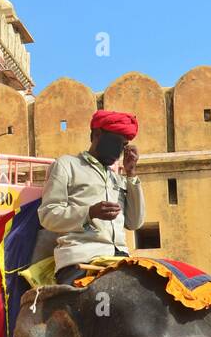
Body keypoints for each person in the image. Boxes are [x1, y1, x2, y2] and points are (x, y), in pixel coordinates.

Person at [37, 110, 146, 283]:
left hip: (120, 259)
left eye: (124, 145)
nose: (120, 151)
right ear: (97, 134)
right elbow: (48, 215)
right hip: (81, 258)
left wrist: (131, 174)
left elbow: (135, 222)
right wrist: (89, 213)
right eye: (117, 142)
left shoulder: (116, 178)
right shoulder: (67, 165)